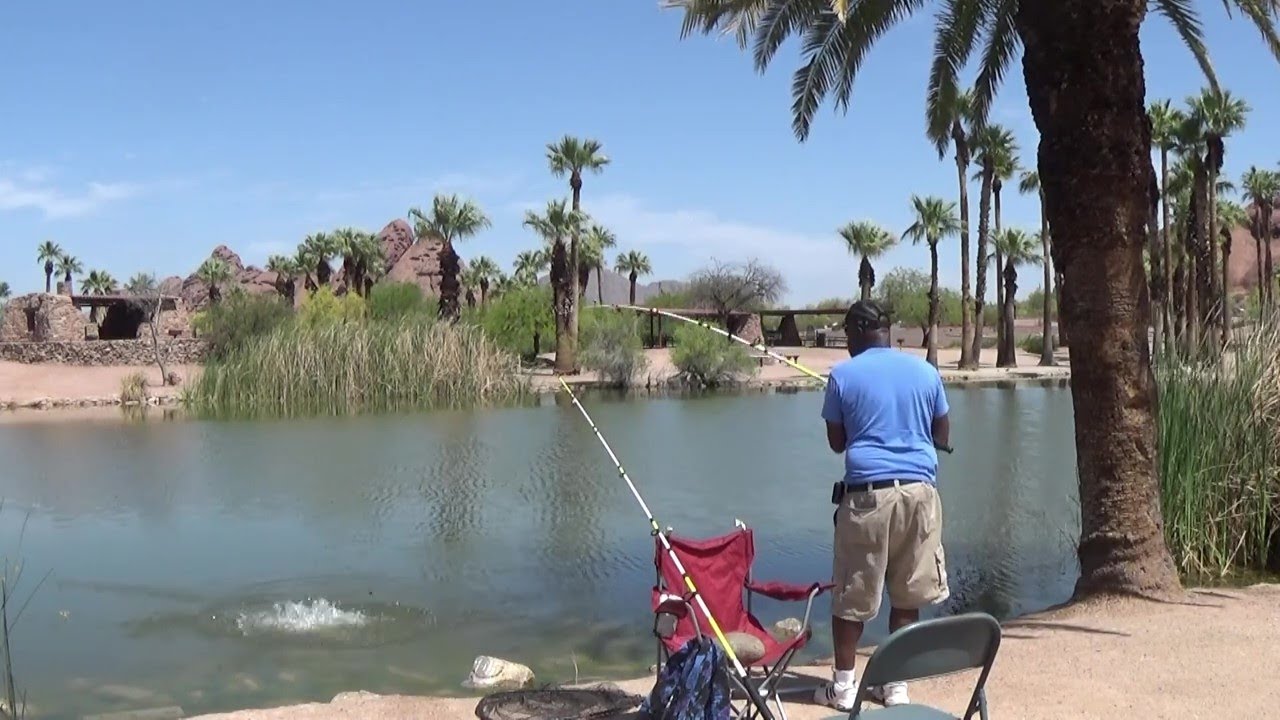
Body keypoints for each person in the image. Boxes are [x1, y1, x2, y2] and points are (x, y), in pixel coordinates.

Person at [813, 300, 952, 710]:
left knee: (852, 594)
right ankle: (895, 686)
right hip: (920, 495)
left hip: (868, 497)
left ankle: (844, 687)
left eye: (846, 333)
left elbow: (837, 442)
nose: (846, 341)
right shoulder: (926, 372)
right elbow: (942, 433)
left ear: (858, 330)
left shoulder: (842, 375)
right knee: (907, 594)